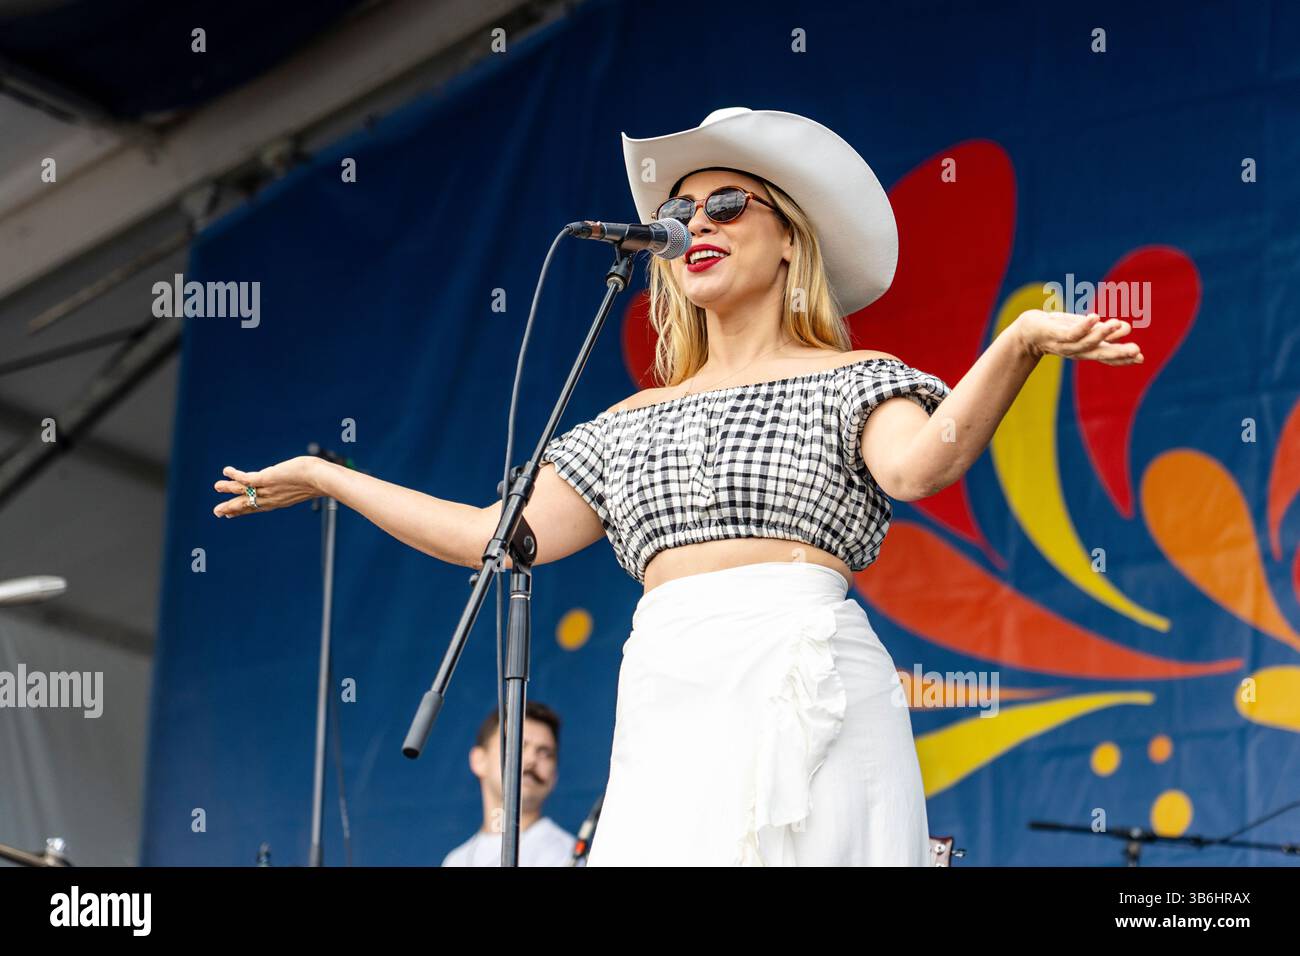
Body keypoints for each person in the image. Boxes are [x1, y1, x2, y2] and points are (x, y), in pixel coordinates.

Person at [211, 107, 1143, 866]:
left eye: (729, 204)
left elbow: (923, 463)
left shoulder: (853, 378)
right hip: (672, 693)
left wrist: (1017, 346)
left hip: (805, 678)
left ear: (790, 241)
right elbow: (492, 537)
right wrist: (328, 474)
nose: (696, 222)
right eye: (684, 210)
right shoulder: (627, 421)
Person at [440, 701, 576, 867]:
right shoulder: (455, 860)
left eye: (545, 753)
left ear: (554, 775)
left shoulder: (569, 855)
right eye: (518, 745)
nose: (531, 759)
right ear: (479, 760)